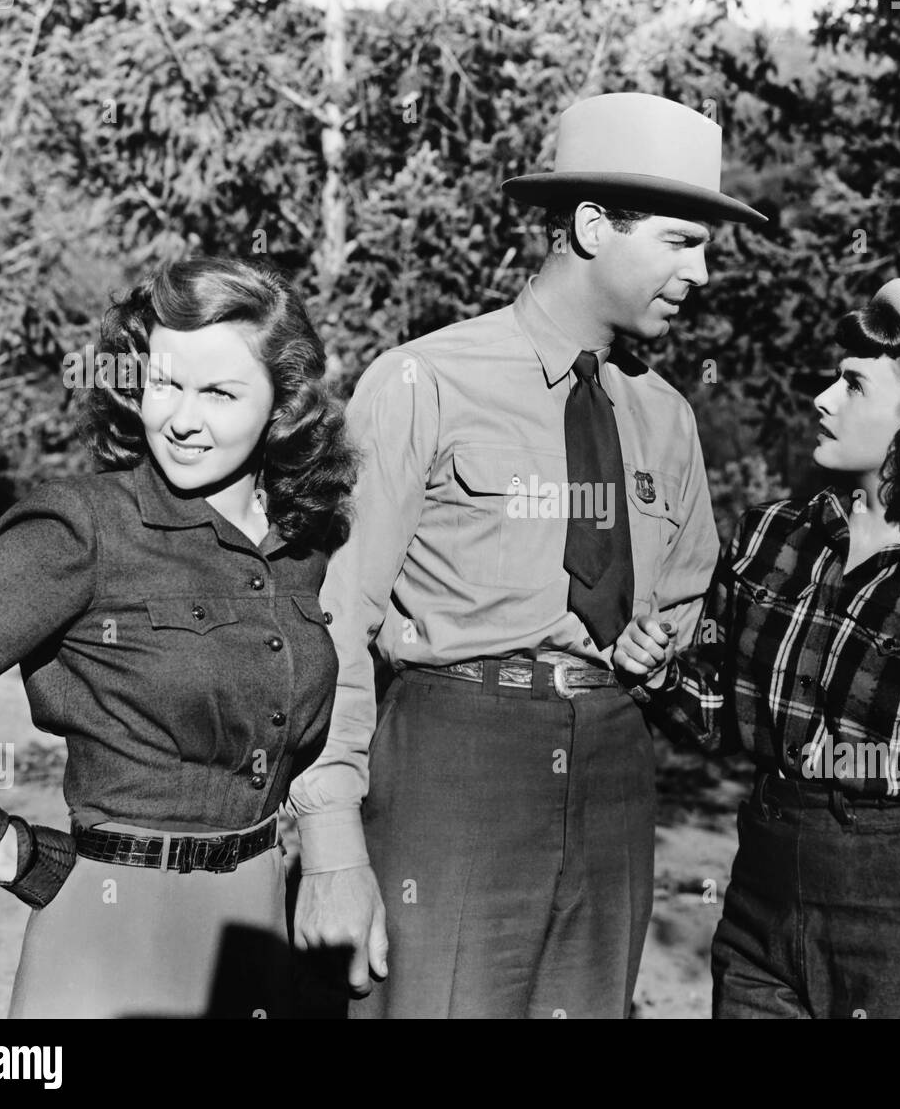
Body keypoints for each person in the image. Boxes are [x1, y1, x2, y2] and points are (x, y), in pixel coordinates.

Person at [287, 92, 767, 1018]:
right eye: (681, 241)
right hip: (454, 762)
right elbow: (334, 618)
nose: (703, 272)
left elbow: (687, 608)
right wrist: (333, 840)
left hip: (619, 770)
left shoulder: (665, 417)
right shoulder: (426, 381)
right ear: (591, 226)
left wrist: (662, 647)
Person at [0, 257, 356, 1017]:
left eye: (219, 392)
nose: (182, 418)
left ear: (283, 405)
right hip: (111, 929)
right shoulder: (84, 528)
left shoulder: (309, 543)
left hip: (257, 929)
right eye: (165, 383)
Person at [615, 278, 900, 1018]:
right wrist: (658, 675)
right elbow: (723, 714)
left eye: (852, 385)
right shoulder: (772, 537)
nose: (822, 399)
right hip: (760, 905)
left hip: (894, 927)